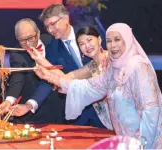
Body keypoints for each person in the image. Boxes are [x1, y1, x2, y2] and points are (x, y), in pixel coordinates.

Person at [31, 23, 161, 149]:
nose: (113, 45)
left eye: (117, 39)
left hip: (146, 141)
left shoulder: (137, 66)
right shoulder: (112, 69)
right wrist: (48, 75)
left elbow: (151, 109)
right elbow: (88, 86)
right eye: (109, 41)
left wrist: (143, 144)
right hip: (124, 139)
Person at [9, 4, 103, 127]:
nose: (50, 30)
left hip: (106, 104)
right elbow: (51, 81)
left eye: (53, 24)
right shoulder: (51, 48)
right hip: (78, 114)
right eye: (47, 27)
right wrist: (29, 105)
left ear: (66, 18)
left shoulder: (89, 33)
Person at [24, 25, 113, 129]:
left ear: (99, 39)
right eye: (82, 44)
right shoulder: (91, 66)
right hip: (109, 121)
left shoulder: (112, 58)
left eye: (89, 40)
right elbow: (65, 79)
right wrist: (40, 60)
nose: (87, 46)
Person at [0, 18, 63, 124]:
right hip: (29, 114)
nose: (28, 44)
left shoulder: (53, 42)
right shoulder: (17, 53)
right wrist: (9, 101)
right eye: (22, 40)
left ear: (38, 33)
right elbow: (18, 78)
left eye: (30, 38)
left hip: (56, 108)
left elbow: (51, 80)